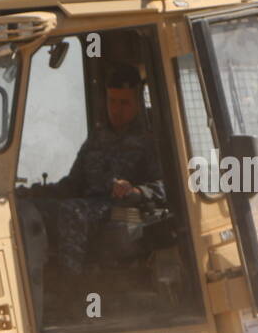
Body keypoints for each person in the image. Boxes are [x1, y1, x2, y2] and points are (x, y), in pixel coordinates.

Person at [36, 63, 166, 278]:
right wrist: (34, 193)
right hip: (89, 205)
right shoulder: (97, 137)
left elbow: (165, 185)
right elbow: (73, 183)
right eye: (112, 101)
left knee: (72, 211)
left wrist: (136, 191)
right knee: (33, 210)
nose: (116, 109)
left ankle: (72, 284)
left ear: (138, 103)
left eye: (124, 103)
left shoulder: (149, 140)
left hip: (121, 209)